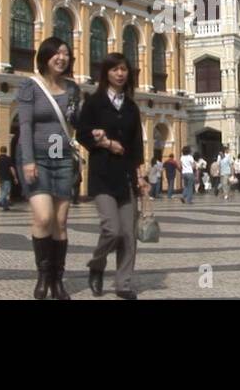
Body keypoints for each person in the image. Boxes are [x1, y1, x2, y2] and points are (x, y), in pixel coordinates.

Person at [78, 53, 149, 300]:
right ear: (106, 73)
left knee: (128, 235)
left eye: (124, 69)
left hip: (127, 177)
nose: (120, 74)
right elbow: (82, 134)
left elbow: (137, 145)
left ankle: (124, 283)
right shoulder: (94, 102)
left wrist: (140, 175)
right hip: (102, 176)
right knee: (112, 230)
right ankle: (97, 265)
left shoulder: (131, 107)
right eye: (115, 69)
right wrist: (106, 143)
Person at [17, 36, 82, 300]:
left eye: (65, 53)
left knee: (61, 221)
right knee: (43, 218)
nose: (61, 57)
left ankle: (57, 280)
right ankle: (43, 276)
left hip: (63, 159)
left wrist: (79, 113)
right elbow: (25, 126)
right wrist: (29, 160)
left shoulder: (73, 89)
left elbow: (77, 123)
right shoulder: (29, 86)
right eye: (56, 53)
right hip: (38, 159)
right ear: (45, 57)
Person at [0, 146, 18, 211]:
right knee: (6, 192)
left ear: (0, 151)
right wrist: (15, 177)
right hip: (7, 177)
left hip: (0, 177)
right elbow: (12, 168)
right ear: (6, 151)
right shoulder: (8, 159)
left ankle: (5, 206)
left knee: (2, 191)